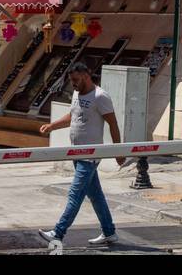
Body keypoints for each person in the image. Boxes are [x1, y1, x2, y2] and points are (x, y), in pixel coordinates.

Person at [38, 61, 124, 248]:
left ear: (86, 76)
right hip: (77, 154)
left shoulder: (100, 96)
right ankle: (109, 232)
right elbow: (72, 116)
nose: (73, 84)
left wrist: (119, 151)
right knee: (96, 196)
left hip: (90, 156)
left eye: (76, 80)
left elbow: (113, 124)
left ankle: (58, 233)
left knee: (75, 194)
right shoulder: (77, 94)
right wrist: (52, 126)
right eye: (71, 81)